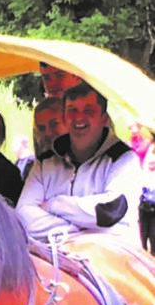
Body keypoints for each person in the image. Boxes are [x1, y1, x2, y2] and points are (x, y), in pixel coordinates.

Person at [16, 82, 143, 247]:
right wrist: (80, 233)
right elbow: (23, 216)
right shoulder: (44, 163)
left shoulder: (123, 158)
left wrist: (55, 204)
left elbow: (110, 209)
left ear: (103, 119)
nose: (79, 117)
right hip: (57, 256)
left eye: (88, 111)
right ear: (65, 117)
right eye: (72, 110)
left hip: (113, 260)